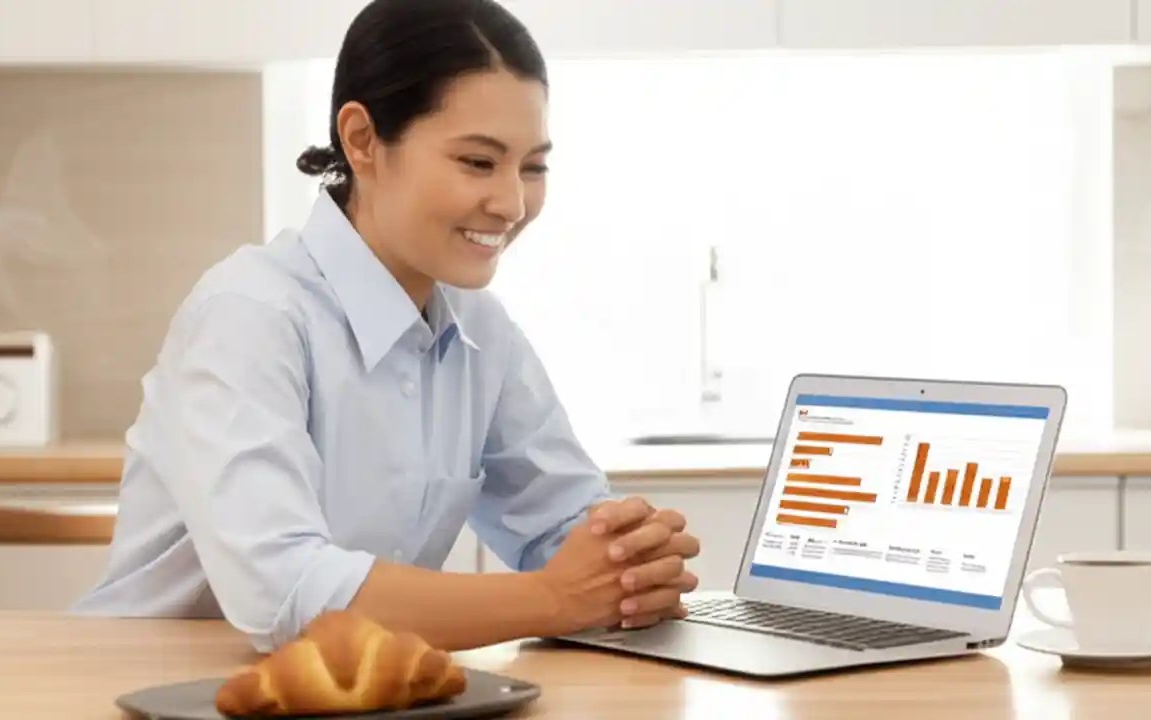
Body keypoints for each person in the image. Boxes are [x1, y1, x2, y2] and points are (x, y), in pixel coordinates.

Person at [72, 0, 700, 653]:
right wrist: (554, 598)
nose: (513, 203)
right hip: (158, 685)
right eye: (478, 162)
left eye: (533, 166)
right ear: (363, 140)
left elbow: (571, 534)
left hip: (365, 688)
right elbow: (285, 592)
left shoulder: (483, 331)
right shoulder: (249, 313)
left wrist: (632, 558)